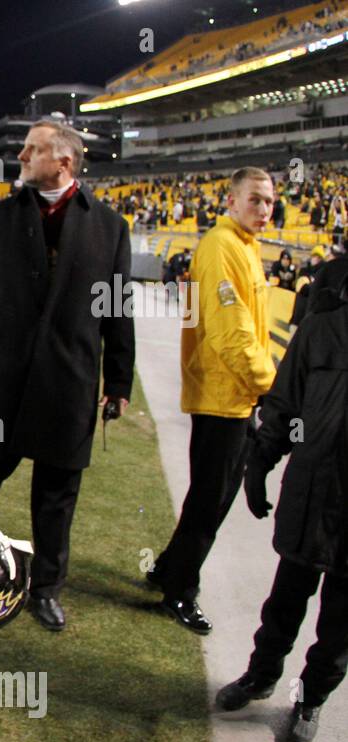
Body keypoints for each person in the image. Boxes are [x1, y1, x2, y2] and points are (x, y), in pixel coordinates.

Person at [0, 119, 135, 632]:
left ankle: (45, 590)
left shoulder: (110, 227)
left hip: (70, 385)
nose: (20, 157)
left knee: (57, 496)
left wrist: (120, 382)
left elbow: (117, 310)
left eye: (31, 150)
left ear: (63, 161)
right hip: (7, 382)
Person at [148, 168, 276, 633]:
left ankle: (168, 569)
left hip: (234, 397)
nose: (265, 210)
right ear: (232, 201)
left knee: (210, 497)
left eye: (269, 202)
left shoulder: (244, 246)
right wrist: (268, 383)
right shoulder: (224, 247)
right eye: (256, 200)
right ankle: (179, 592)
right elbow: (231, 332)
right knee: (211, 502)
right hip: (224, 398)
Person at [222, 289, 348, 742]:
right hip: (312, 491)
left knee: (340, 621)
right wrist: (260, 462)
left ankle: (311, 698)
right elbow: (284, 402)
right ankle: (260, 675)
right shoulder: (322, 328)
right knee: (285, 599)